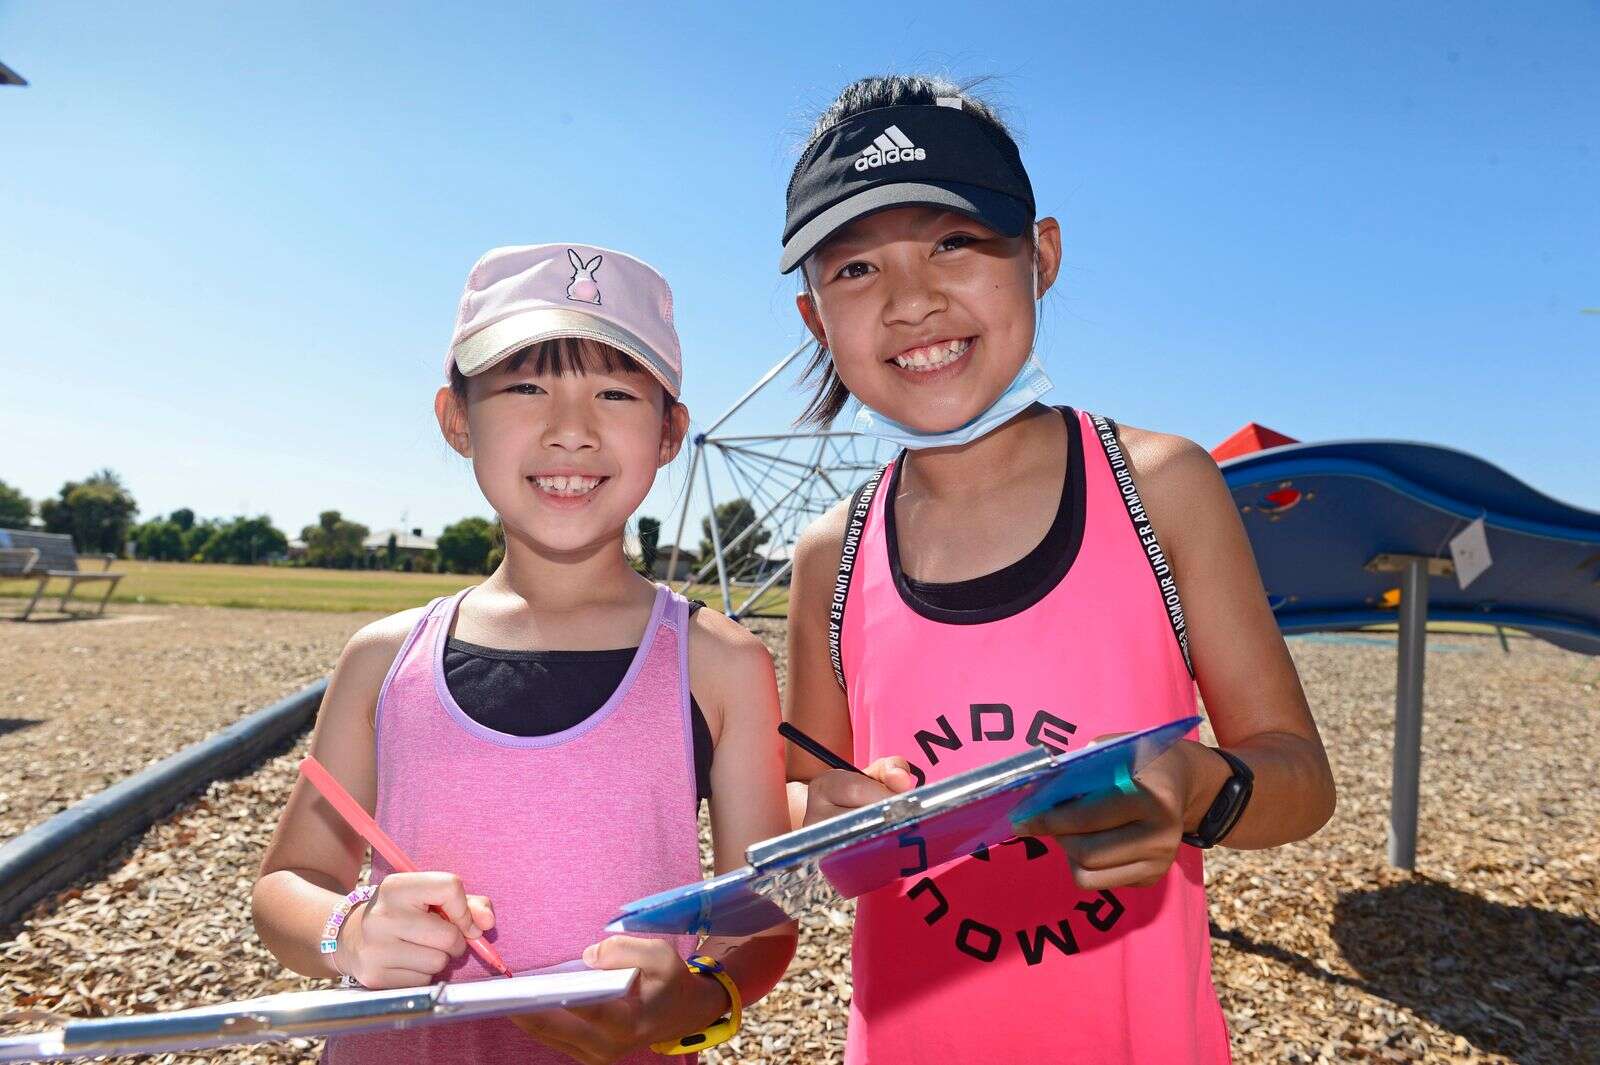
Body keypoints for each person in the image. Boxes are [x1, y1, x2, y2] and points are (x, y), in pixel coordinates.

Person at [779, 76, 1336, 1064]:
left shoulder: (1160, 487)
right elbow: (798, 798)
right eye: (856, 268)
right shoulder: (832, 551)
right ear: (816, 319)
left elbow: (1300, 775)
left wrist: (1195, 786)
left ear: (1040, 256)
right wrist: (824, 819)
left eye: (955, 242)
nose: (912, 301)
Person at [253, 243, 795, 1064]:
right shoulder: (382, 661)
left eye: (615, 392)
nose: (570, 430)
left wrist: (697, 995)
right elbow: (286, 885)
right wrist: (350, 930)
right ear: (457, 419)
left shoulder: (721, 664)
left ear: (669, 431)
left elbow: (761, 915)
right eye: (525, 388)